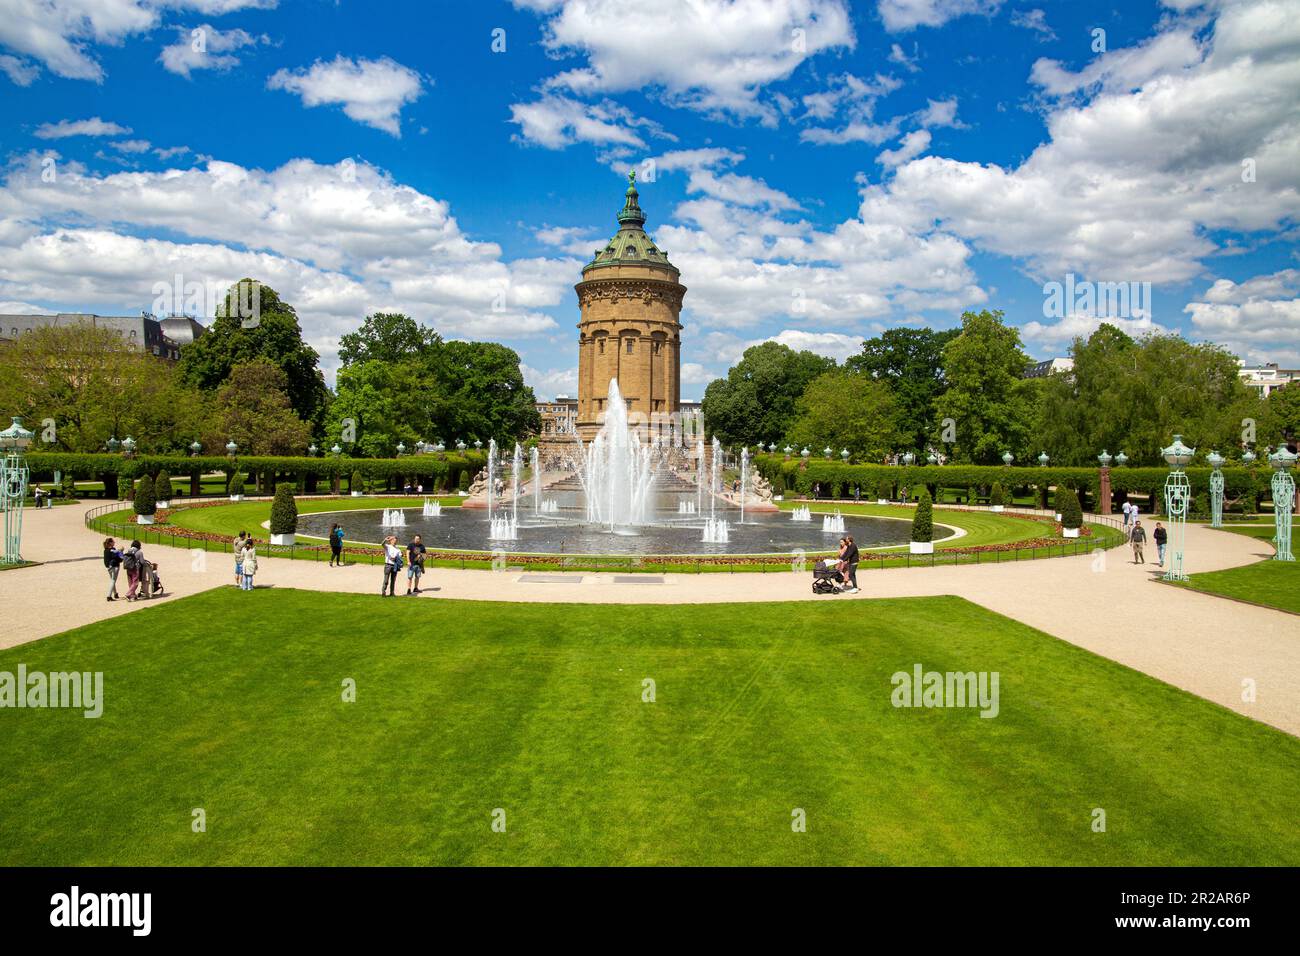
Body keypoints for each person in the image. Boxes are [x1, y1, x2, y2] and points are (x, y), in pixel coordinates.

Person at [103, 537, 123, 602]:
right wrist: (121, 551)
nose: (114, 542)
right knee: (113, 581)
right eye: (113, 542)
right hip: (115, 567)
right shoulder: (113, 550)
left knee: (112, 580)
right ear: (110, 543)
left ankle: (115, 593)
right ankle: (109, 596)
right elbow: (119, 558)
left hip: (109, 567)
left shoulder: (105, 550)